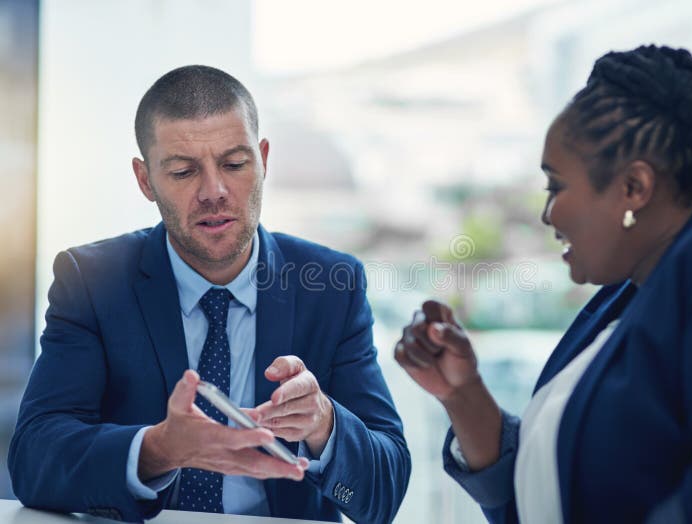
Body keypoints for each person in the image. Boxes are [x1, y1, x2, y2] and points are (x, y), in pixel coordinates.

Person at [395, 45, 692, 523]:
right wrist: (462, 393)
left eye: (556, 186)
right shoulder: (623, 301)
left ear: (634, 188)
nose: (548, 214)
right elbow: (540, 502)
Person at [9, 65, 410, 523]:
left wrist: (325, 423)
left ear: (262, 160)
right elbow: (33, 458)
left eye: (235, 164)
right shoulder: (92, 280)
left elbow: (386, 493)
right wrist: (156, 449)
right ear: (146, 181)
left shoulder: (333, 285)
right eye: (183, 172)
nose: (214, 192)